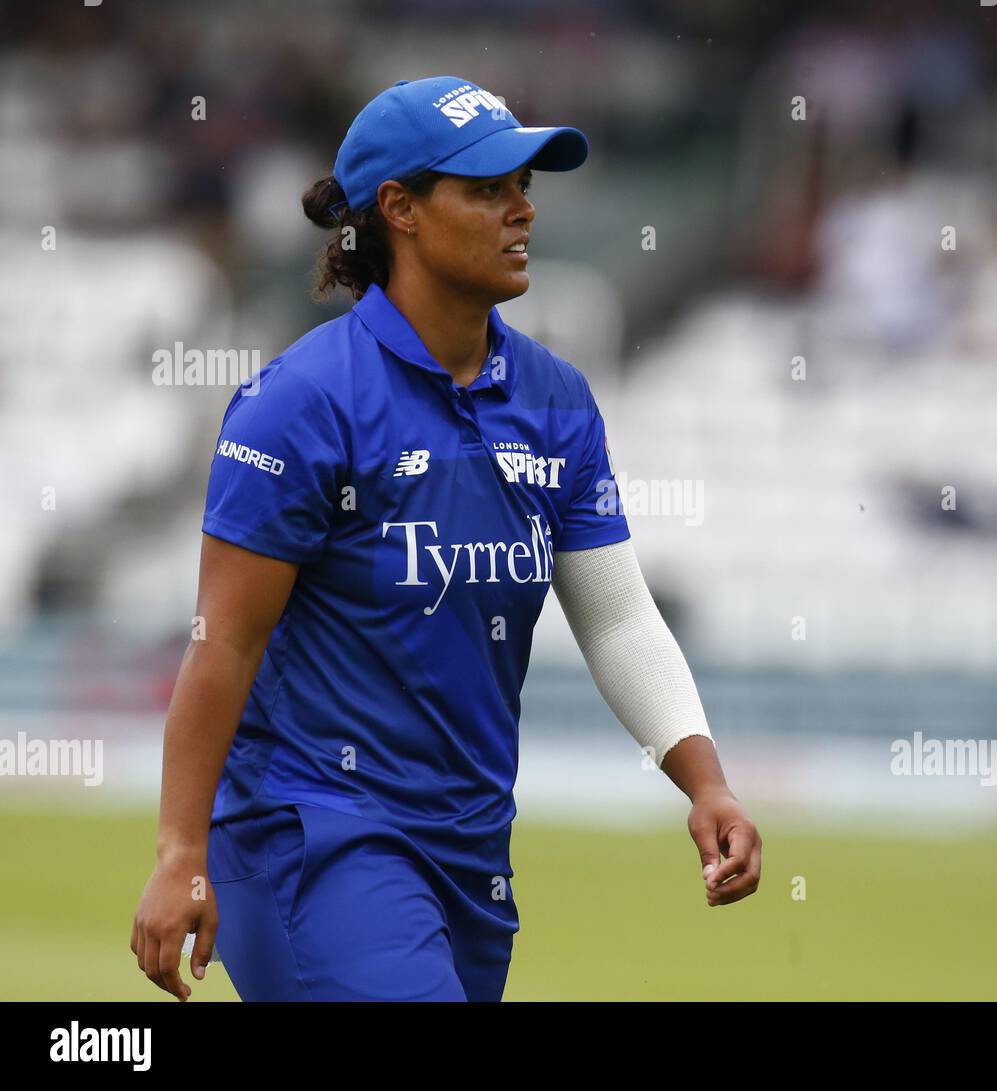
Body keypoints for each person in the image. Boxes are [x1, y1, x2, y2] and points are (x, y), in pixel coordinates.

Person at [130, 75, 761, 1002]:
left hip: (471, 853)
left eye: (526, 186)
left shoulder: (557, 401)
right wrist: (181, 848)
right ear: (401, 210)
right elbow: (222, 641)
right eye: (488, 188)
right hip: (312, 833)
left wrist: (704, 781)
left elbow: (618, 619)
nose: (523, 211)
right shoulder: (302, 404)